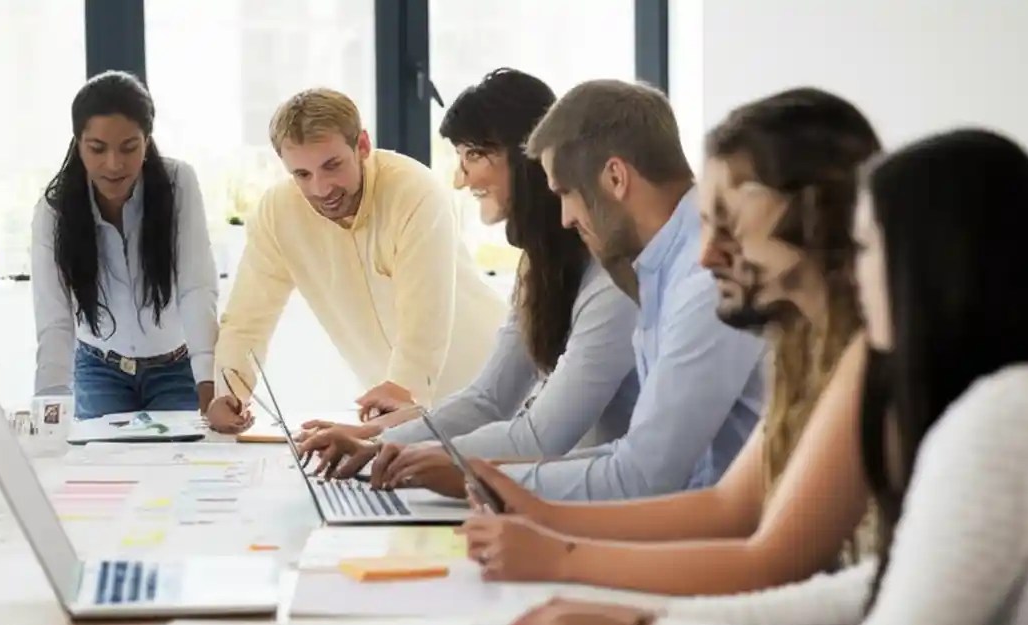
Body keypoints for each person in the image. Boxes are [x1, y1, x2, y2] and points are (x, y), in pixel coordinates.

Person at [499, 129, 1028, 625]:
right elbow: (878, 587)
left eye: (867, 248)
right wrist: (640, 624)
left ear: (929, 265)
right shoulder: (990, 404)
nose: (857, 274)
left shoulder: (1000, 420)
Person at [458, 88, 877, 594]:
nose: (708, 253)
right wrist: (541, 516)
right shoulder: (801, 346)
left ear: (805, 213)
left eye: (729, 219)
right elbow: (729, 509)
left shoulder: (857, 360)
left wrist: (571, 564)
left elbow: (769, 559)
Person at [357, 80, 767, 502]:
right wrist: (422, 458)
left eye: (566, 194)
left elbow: (641, 475)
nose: (566, 217)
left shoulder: (703, 279)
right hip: (682, 524)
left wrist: (477, 477)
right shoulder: (656, 264)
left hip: (716, 541)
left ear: (615, 177)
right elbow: (629, 463)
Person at [297, 69, 638, 476]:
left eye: (472, 155)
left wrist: (385, 453)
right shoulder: (542, 266)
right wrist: (374, 441)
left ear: (529, 154)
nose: (460, 178)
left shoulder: (610, 278)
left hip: (605, 503)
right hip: (559, 490)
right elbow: (488, 400)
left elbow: (541, 437)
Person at [205, 88, 507, 433]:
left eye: (332, 166)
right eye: (302, 174)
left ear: (362, 145)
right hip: (398, 411)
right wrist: (230, 393)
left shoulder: (414, 190)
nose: (321, 188)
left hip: (493, 390)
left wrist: (402, 393)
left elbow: (425, 312)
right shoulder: (278, 213)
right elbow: (247, 318)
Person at [31, 71, 217, 419]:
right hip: (99, 368)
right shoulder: (54, 209)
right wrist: (50, 407)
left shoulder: (179, 184)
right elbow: (54, 320)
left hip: (176, 368)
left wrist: (209, 382)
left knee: (182, 466)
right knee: (102, 467)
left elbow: (197, 287)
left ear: (147, 141)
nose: (113, 164)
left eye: (129, 147)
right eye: (97, 149)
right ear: (78, 143)